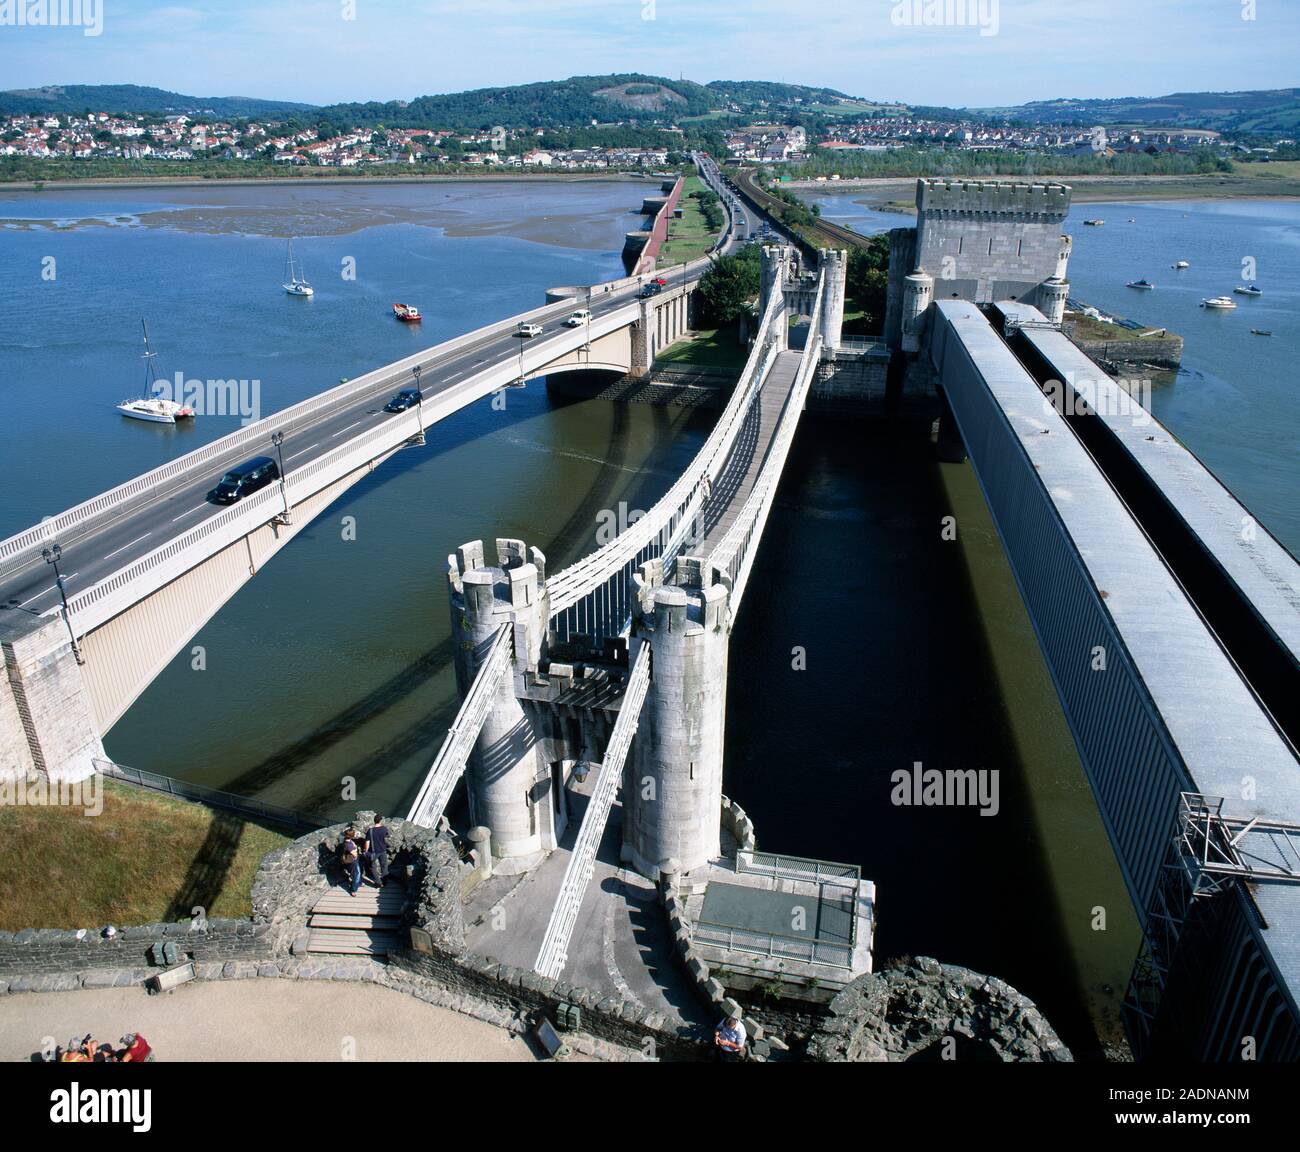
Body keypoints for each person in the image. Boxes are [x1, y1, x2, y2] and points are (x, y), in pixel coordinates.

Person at [367, 815, 390, 888]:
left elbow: (367, 842)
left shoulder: (370, 830)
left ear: (374, 821)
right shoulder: (384, 829)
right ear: (380, 821)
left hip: (373, 851)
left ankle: (378, 882)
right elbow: (387, 837)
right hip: (383, 849)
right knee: (384, 865)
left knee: (372, 866)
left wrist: (366, 851)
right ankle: (385, 881)